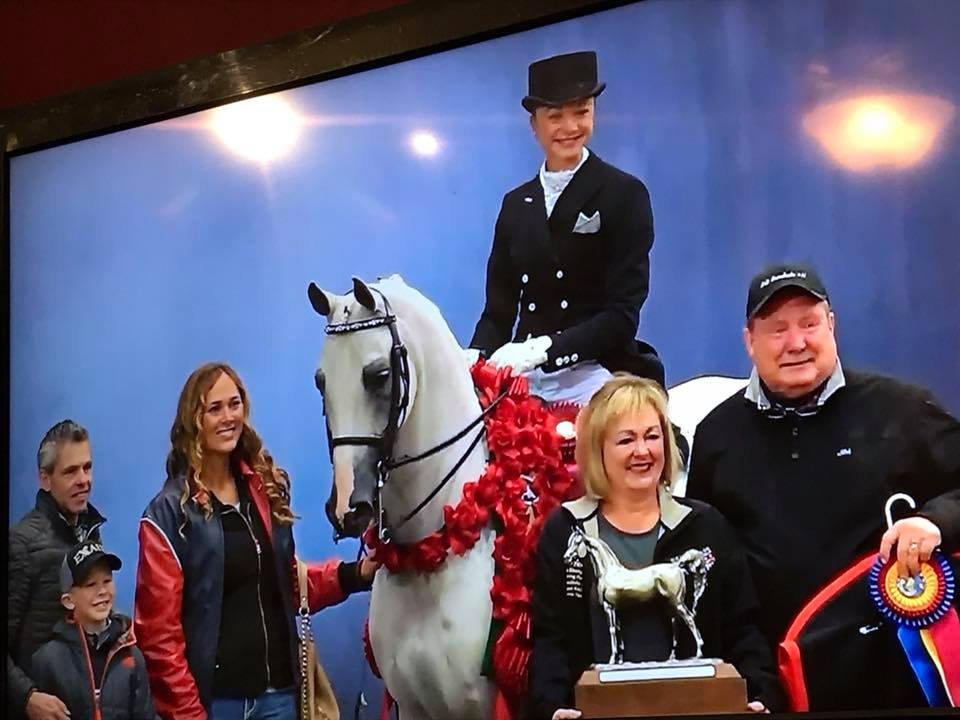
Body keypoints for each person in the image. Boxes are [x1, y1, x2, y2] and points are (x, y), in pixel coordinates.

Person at [686, 263, 960, 710]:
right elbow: (707, 568)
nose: (796, 343)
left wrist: (936, 523)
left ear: (831, 325)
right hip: (775, 681)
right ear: (749, 341)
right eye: (777, 329)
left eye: (809, 324)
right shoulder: (718, 434)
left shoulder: (903, 410)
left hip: (891, 677)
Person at [135, 362, 378, 720]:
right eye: (214, 408)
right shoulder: (168, 514)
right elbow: (159, 638)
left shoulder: (265, 490)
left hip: (279, 698)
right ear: (193, 420)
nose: (228, 416)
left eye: (234, 404)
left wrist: (356, 574)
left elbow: (287, 586)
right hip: (216, 705)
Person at [529, 375, 781, 720]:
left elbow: (744, 630)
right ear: (597, 449)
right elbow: (551, 642)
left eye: (652, 436)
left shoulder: (707, 525)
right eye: (625, 440)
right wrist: (554, 708)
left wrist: (758, 695)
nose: (642, 451)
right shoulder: (564, 530)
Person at [469, 51, 663, 404]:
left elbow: (622, 314)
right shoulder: (516, 204)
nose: (570, 127)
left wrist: (547, 349)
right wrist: (477, 354)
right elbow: (498, 311)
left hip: (598, 368)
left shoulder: (624, 193)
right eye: (555, 116)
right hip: (524, 376)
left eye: (581, 112)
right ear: (534, 124)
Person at [8, 419, 105, 720]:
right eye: (70, 471)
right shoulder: (21, 544)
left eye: (87, 468)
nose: (83, 480)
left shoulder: (91, 533)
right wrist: (26, 697)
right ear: (45, 479)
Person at [31, 540, 157, 719]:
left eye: (107, 580)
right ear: (68, 600)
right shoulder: (47, 660)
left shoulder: (131, 655)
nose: (102, 591)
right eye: (90, 584)